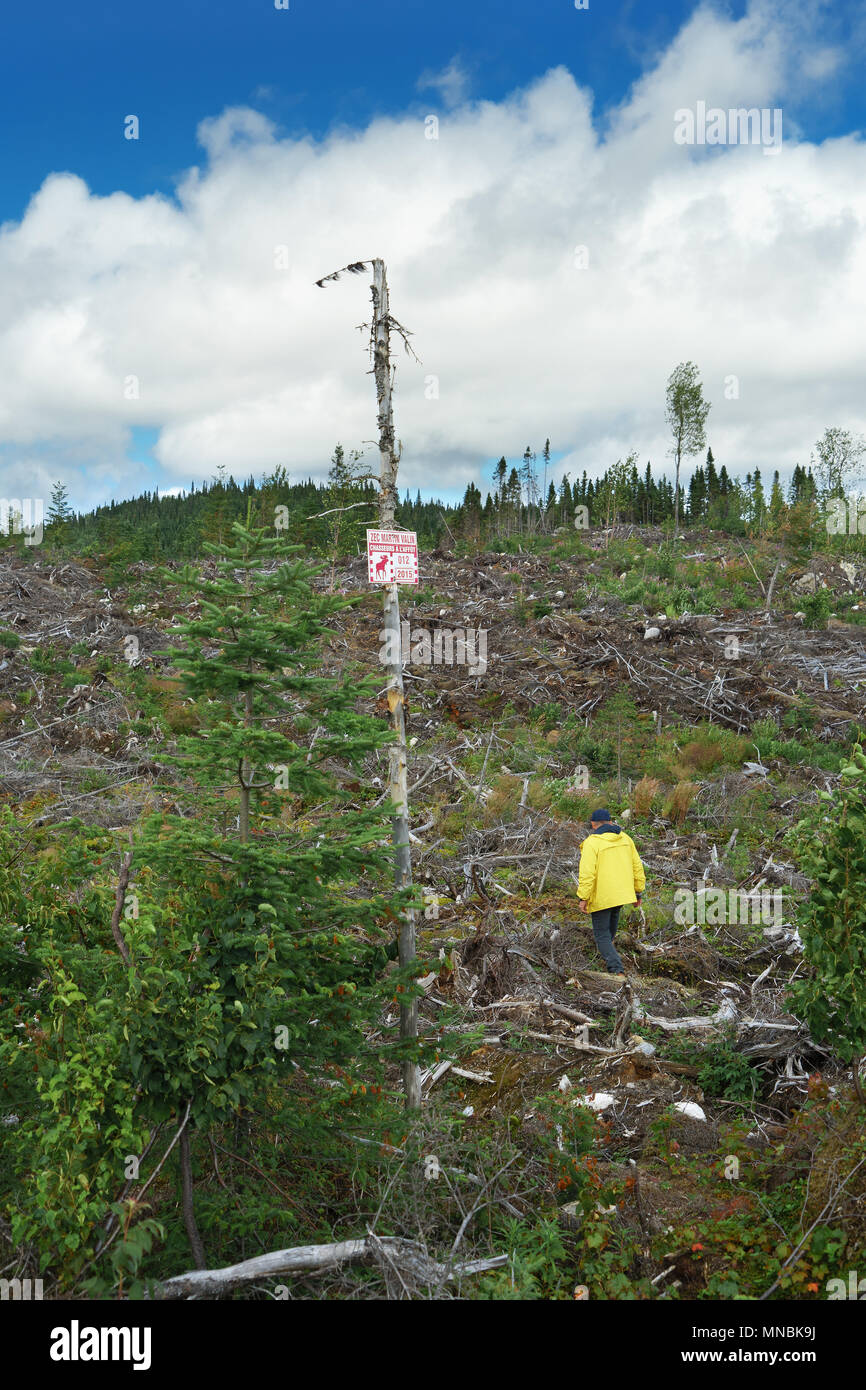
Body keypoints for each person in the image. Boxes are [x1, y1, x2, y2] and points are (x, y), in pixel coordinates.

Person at [576, 808, 646, 977]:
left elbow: (587, 874)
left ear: (593, 824)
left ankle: (617, 971)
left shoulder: (592, 842)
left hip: (603, 896)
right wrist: (638, 892)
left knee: (602, 936)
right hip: (621, 894)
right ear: (610, 822)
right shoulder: (626, 839)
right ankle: (609, 957)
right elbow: (637, 867)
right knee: (609, 933)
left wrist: (583, 897)